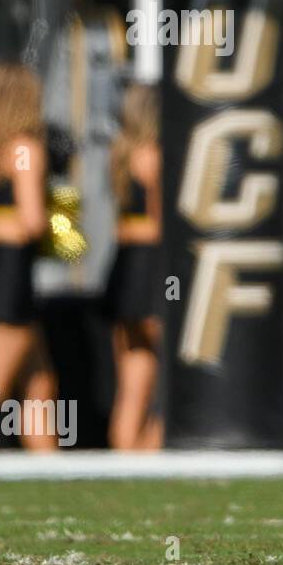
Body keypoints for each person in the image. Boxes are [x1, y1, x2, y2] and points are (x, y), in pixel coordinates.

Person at [0, 62, 57, 450]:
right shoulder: (25, 148)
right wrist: (66, 221)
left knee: (39, 385)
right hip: (11, 274)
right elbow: (32, 221)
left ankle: (49, 472)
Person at [103, 84, 163, 451]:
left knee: (131, 388)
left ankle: (127, 460)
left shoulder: (120, 154)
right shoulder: (155, 156)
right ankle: (150, 452)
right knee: (180, 380)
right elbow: (163, 224)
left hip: (124, 268)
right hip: (152, 268)